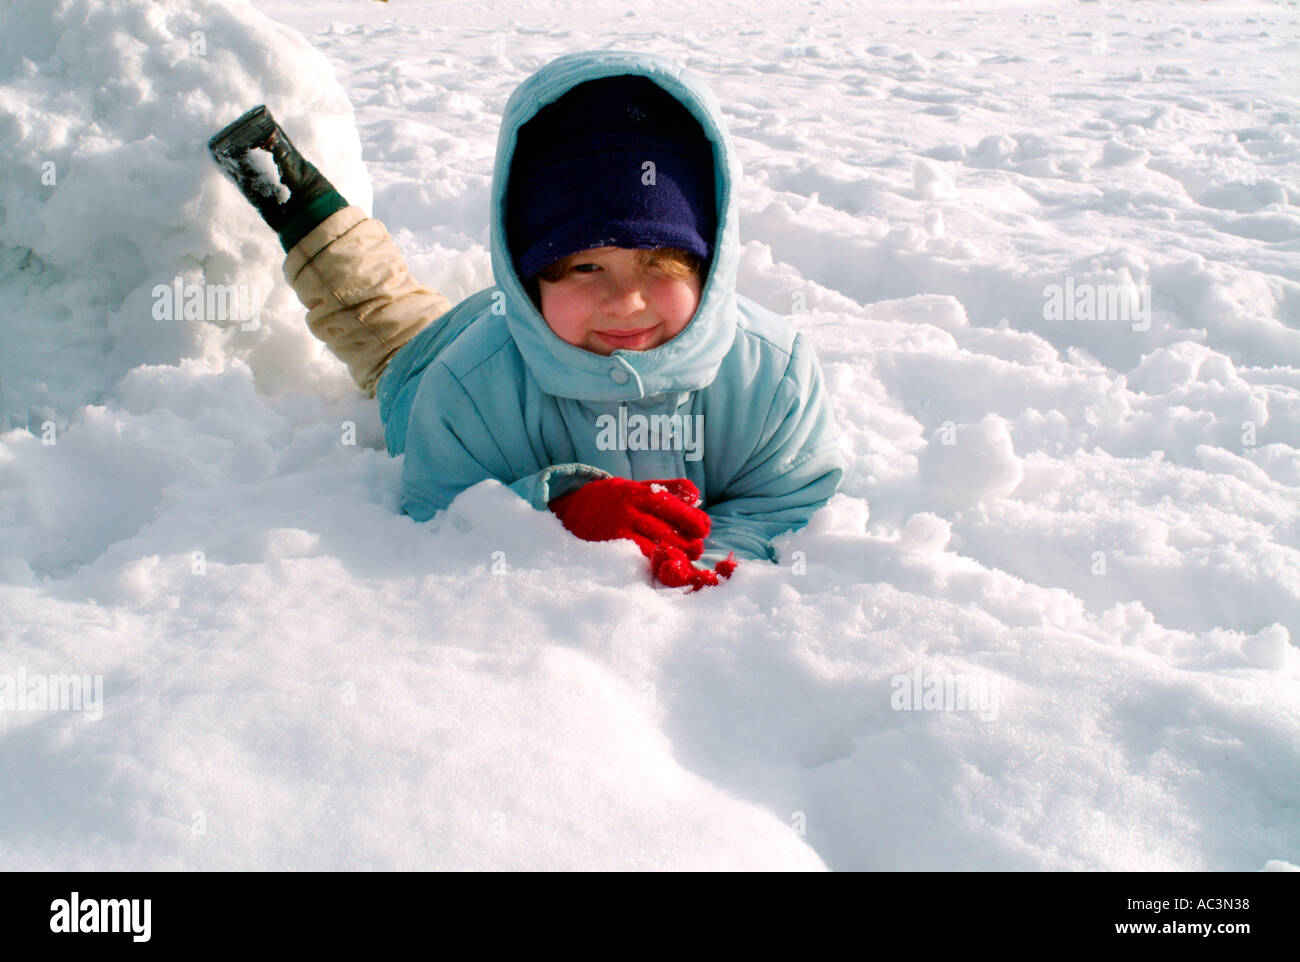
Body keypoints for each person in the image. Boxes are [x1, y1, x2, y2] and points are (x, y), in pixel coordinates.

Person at [208, 50, 844, 590]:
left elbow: (788, 496)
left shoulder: (774, 374)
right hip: (437, 358)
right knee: (378, 314)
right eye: (584, 267)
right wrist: (558, 506)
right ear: (528, 271)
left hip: (524, 327)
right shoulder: (463, 389)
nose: (626, 302)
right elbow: (439, 509)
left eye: (660, 263)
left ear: (711, 263)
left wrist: (703, 554)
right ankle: (296, 201)